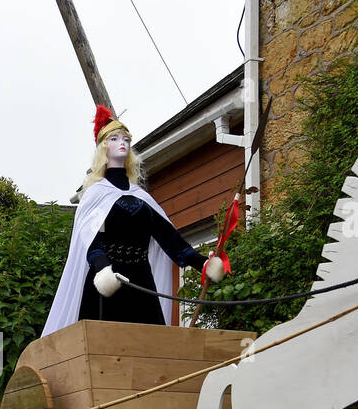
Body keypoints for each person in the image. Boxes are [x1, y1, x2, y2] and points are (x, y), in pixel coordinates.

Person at [43, 105, 227, 336]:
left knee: (148, 344)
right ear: (103, 148)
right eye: (114, 138)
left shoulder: (142, 199)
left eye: (126, 139)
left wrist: (204, 264)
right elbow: (92, 241)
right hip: (109, 283)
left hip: (142, 284)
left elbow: (170, 240)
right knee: (106, 345)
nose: (122, 143)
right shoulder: (96, 195)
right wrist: (102, 270)